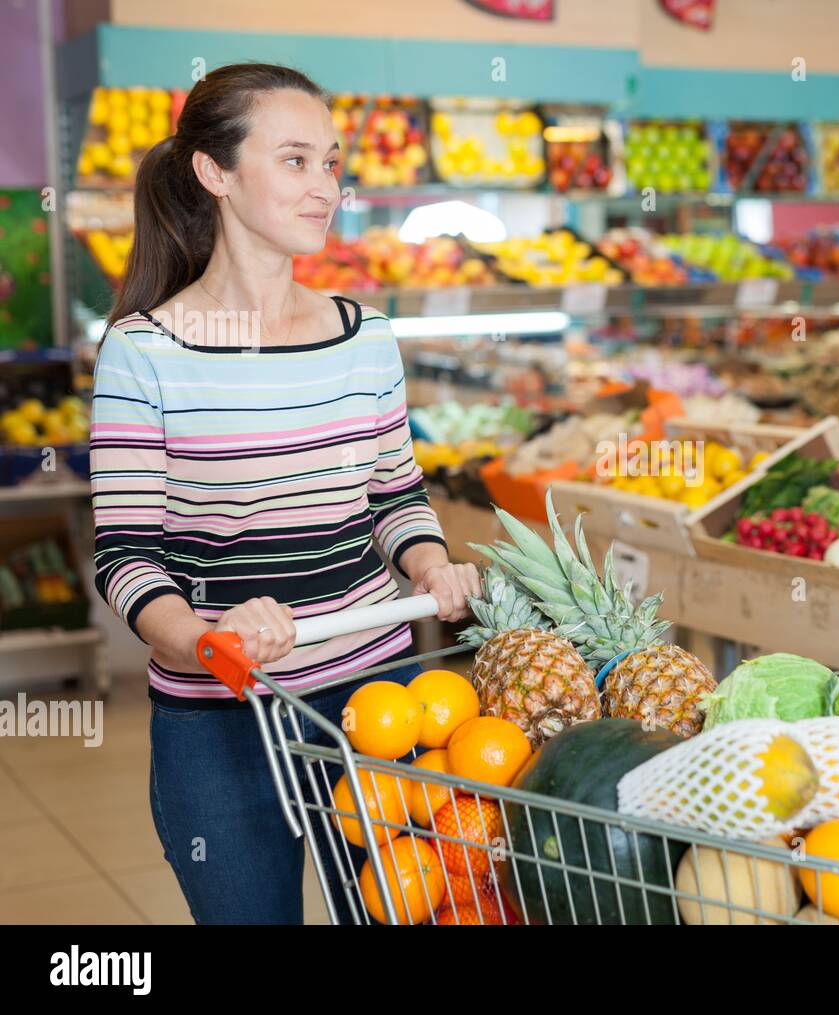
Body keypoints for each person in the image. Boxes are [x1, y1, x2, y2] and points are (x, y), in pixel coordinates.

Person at [88, 63, 481, 924]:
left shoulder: (365, 337)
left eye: (333, 164)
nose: (326, 188)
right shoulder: (142, 352)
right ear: (213, 173)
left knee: (397, 912)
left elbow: (395, 495)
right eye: (296, 161)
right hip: (220, 720)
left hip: (375, 695)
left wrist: (432, 561)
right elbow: (124, 555)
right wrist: (203, 639)